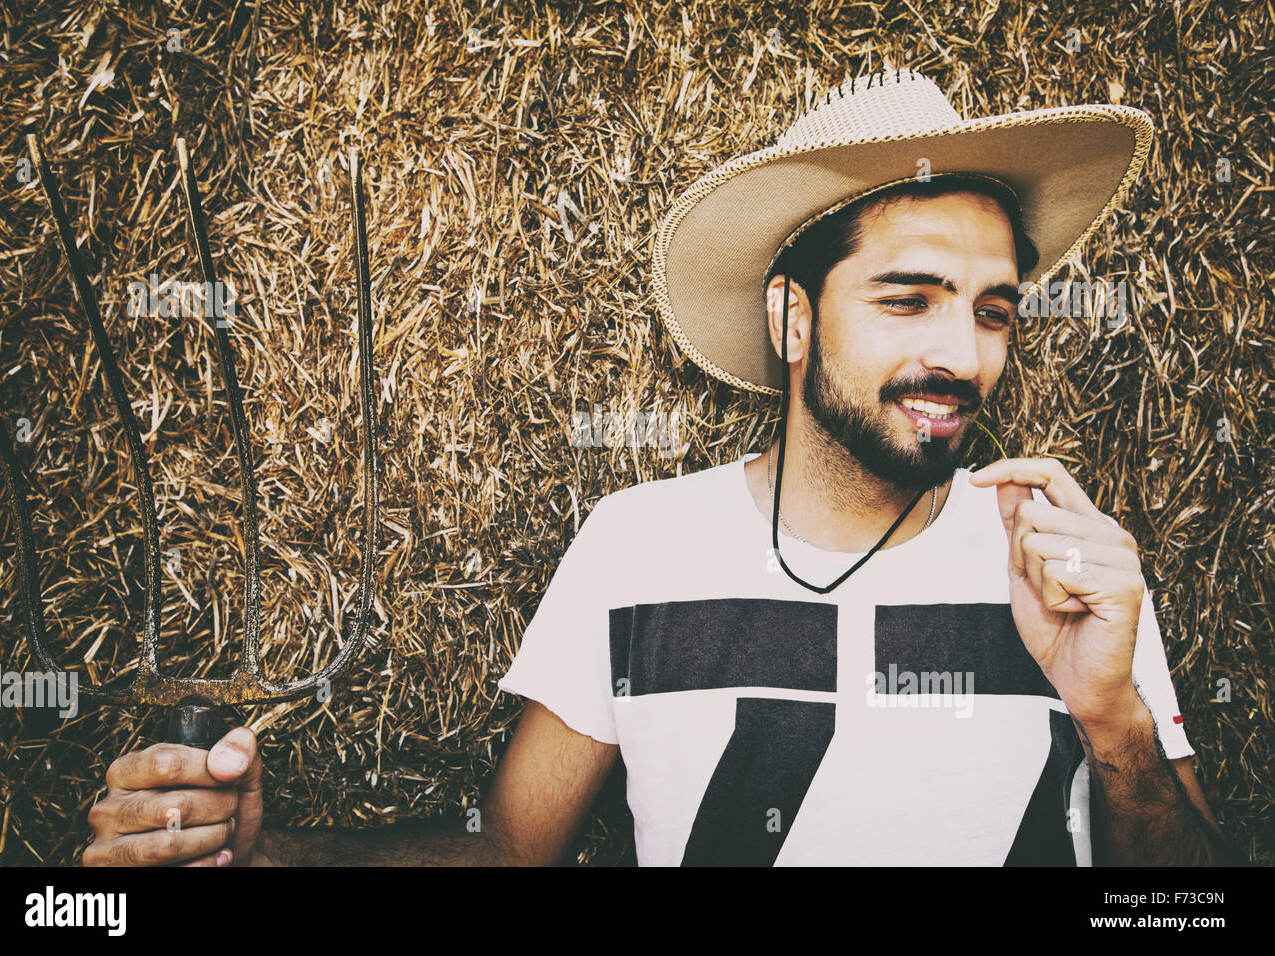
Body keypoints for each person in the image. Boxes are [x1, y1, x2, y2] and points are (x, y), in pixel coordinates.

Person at [83, 70, 1239, 866]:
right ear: (792, 320)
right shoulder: (640, 542)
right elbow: (508, 857)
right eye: (907, 297)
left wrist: (1113, 716)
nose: (961, 352)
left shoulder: (1064, 563)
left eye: (992, 310)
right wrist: (266, 855)